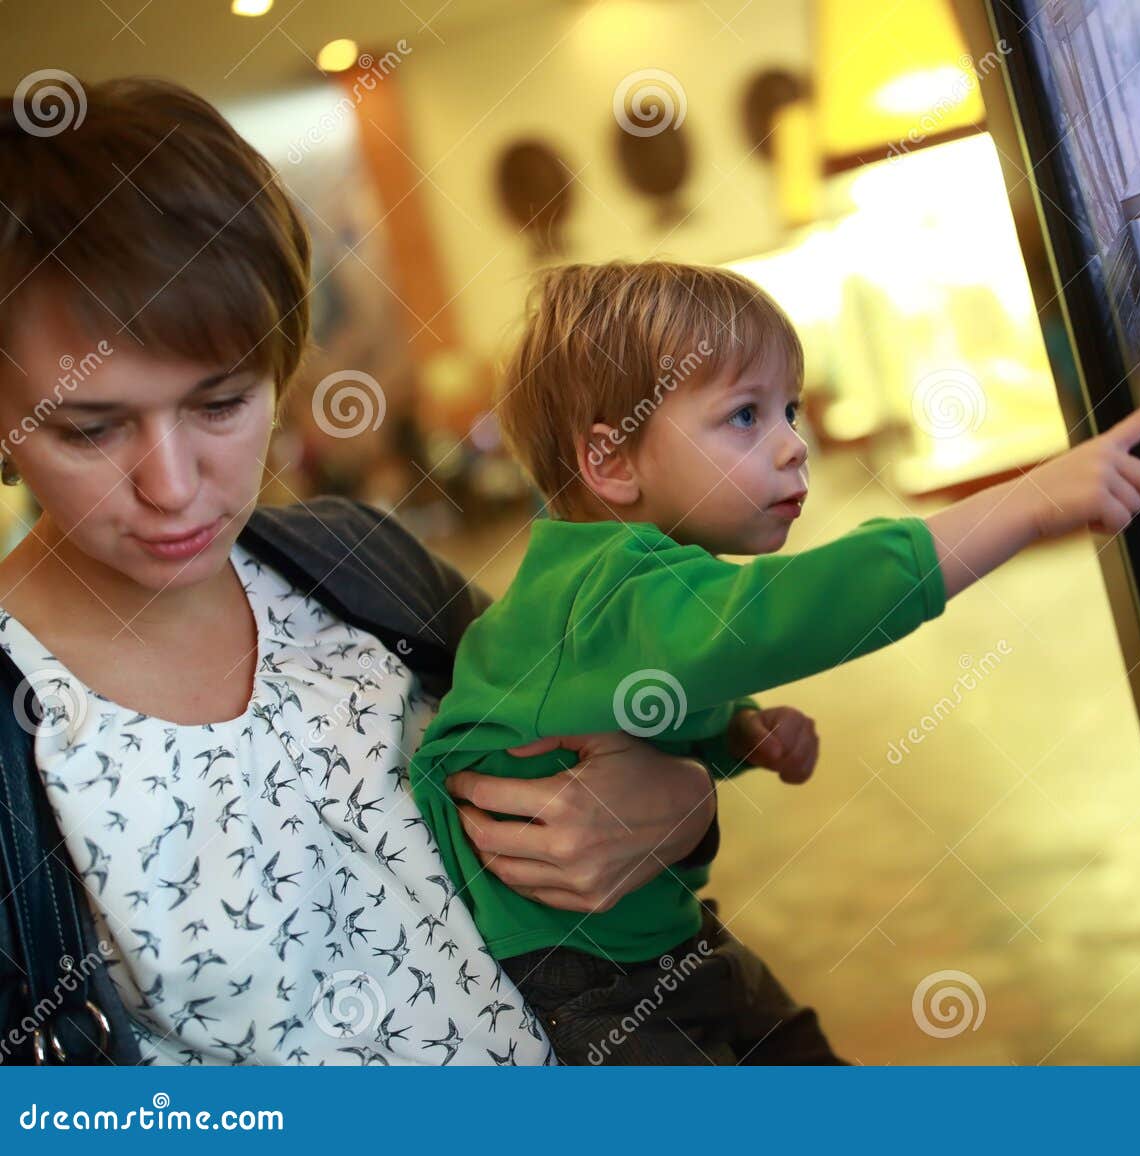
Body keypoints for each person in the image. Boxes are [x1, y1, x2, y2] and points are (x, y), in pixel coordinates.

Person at [0, 77, 724, 1066]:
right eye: (92, 427)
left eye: (220, 404)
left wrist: (677, 805)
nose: (172, 487)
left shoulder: (355, 563)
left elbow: (589, 746)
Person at [407, 261, 1140, 1064]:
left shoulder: (616, 584)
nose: (792, 447)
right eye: (744, 417)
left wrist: (732, 735)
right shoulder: (607, 588)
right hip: (590, 988)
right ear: (612, 462)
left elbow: (621, 711)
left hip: (660, 948)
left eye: (788, 410)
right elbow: (789, 614)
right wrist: (1026, 503)